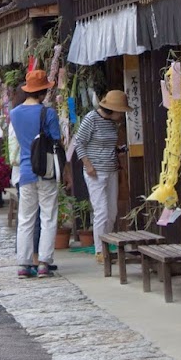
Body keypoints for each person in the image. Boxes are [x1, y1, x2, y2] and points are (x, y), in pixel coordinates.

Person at [8, 69, 65, 278]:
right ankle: (43, 262)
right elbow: (56, 139)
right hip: (46, 170)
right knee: (48, 216)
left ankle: (23, 264)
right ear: (42, 92)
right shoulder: (48, 113)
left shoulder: (14, 113)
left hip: (25, 171)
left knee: (25, 219)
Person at [73, 89, 130, 255]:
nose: (121, 116)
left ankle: (106, 244)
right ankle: (100, 251)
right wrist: (87, 164)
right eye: (120, 112)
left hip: (111, 169)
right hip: (95, 171)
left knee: (112, 212)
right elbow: (79, 142)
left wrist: (118, 150)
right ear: (113, 109)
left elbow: (106, 144)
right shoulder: (91, 118)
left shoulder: (111, 123)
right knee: (101, 212)